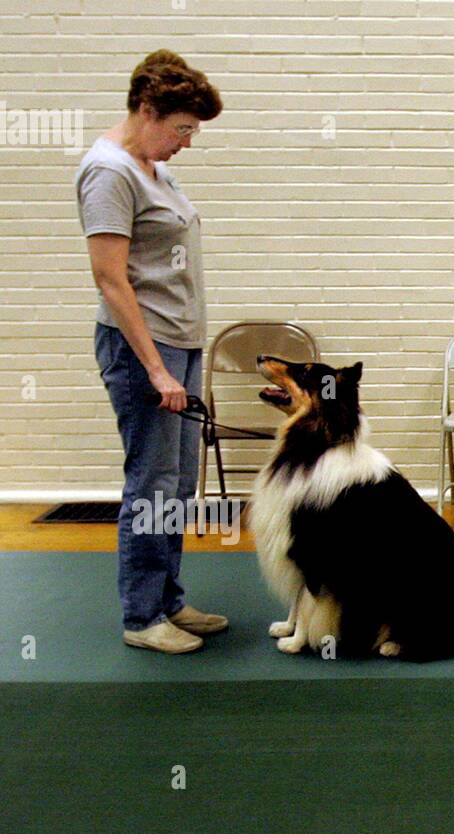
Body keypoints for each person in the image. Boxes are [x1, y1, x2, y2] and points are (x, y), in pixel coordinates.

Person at [76, 50, 227, 653]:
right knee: (151, 484)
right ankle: (142, 617)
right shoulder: (109, 171)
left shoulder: (153, 169)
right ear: (147, 110)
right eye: (183, 128)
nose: (187, 143)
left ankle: (168, 599)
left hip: (179, 343)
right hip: (145, 349)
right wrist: (157, 367)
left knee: (178, 484)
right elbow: (111, 279)